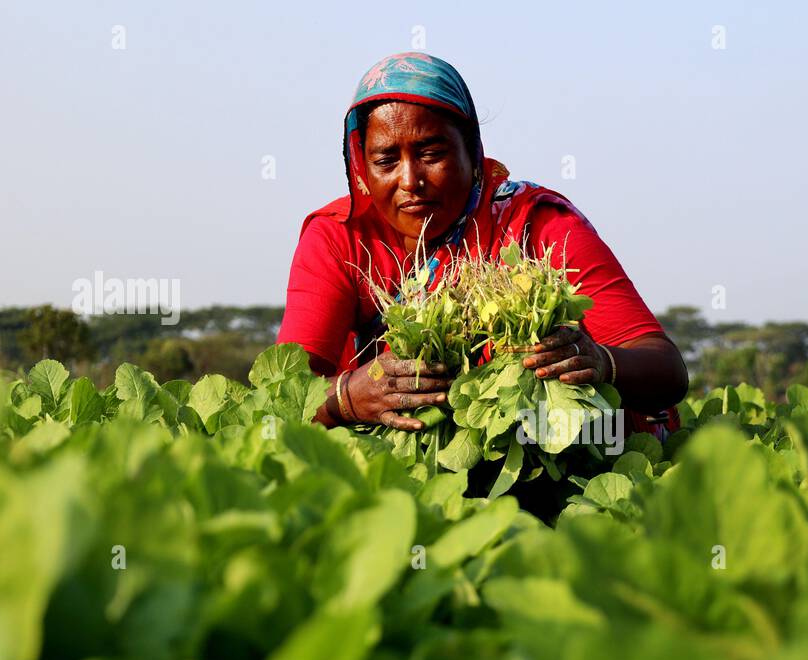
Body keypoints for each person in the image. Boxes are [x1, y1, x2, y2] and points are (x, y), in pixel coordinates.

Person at [278, 52, 688, 438]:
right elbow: (285, 393)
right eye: (386, 161)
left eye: (431, 153)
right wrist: (347, 398)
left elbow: (666, 370)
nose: (409, 180)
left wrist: (602, 362)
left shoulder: (536, 226)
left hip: (549, 452)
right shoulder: (340, 238)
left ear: (473, 154)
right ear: (362, 166)